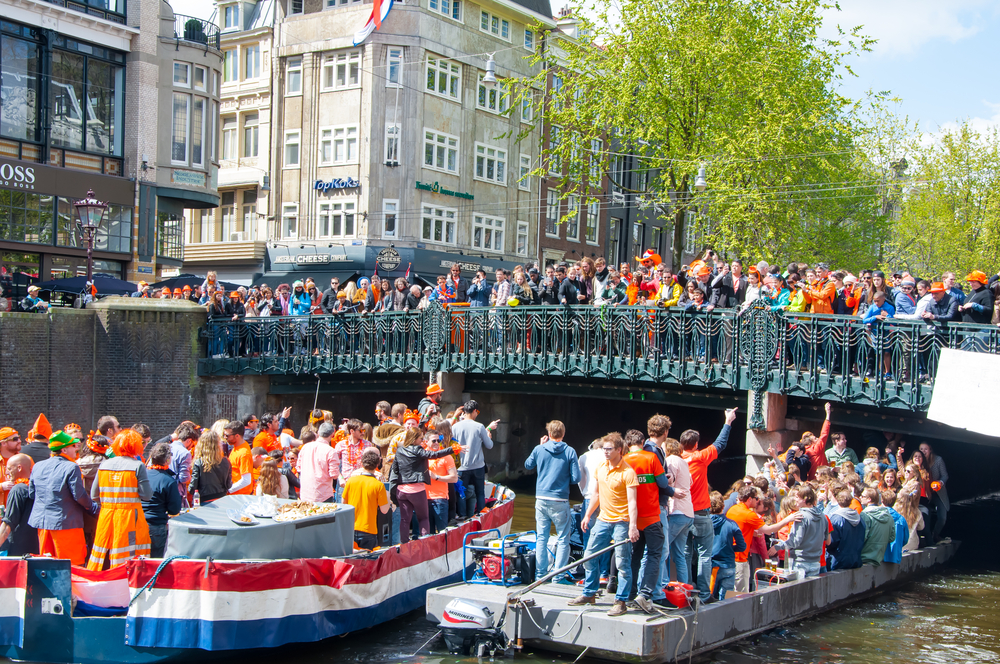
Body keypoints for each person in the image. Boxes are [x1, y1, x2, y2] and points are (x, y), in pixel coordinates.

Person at [570, 433, 640, 617]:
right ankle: (589, 593)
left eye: (609, 449)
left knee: (622, 563)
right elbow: (597, 495)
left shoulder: (628, 472)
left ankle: (621, 601)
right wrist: (587, 515)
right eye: (603, 449)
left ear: (619, 450)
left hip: (622, 522)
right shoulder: (601, 467)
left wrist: (633, 526)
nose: (605, 453)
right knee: (589, 555)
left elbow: (633, 502)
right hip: (603, 519)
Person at [680, 407, 738, 602]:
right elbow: (720, 444)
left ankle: (686, 591)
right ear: (696, 445)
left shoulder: (675, 461)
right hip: (701, 514)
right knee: (705, 555)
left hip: (681, 514)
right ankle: (705, 594)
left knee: (685, 554)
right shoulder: (700, 458)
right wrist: (728, 421)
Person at [28, 430, 99, 566]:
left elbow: (32, 494)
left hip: (43, 525)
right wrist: (94, 508)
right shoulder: (71, 467)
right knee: (71, 566)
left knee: (46, 565)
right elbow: (79, 496)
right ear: (64, 449)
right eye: (73, 446)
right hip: (66, 524)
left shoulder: (37, 466)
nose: (76, 448)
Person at [524, 421, 581, 582]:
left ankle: (540, 575)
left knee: (542, 537)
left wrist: (539, 447)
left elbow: (528, 465)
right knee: (563, 538)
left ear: (548, 434)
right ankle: (558, 576)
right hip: (560, 499)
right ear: (563, 434)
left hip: (541, 499)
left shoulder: (539, 449)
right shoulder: (570, 451)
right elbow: (576, 478)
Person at [88, 430, 152, 570]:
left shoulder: (104, 465)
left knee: (101, 551)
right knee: (127, 553)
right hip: (129, 518)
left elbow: (94, 495)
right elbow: (147, 495)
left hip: (106, 515)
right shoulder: (137, 466)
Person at [623, 430, 672, 613]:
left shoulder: (624, 460)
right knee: (654, 554)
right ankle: (645, 594)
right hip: (651, 516)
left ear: (627, 444)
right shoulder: (651, 458)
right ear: (643, 442)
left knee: (634, 555)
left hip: (632, 519)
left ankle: (630, 593)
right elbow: (663, 484)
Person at [726, 486, 801, 592]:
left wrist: (753, 533)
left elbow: (738, 529)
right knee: (741, 594)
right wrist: (787, 519)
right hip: (740, 558)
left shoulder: (732, 509)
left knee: (731, 592)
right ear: (749, 499)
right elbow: (769, 530)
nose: (758, 501)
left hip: (730, 555)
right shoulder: (749, 514)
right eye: (756, 498)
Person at [388, 428, 456, 544]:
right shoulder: (418, 450)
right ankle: (425, 543)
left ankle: (404, 544)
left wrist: (393, 490)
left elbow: (394, 470)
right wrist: (452, 449)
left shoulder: (399, 451)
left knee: (405, 519)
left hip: (402, 491)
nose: (422, 441)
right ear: (414, 439)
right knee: (423, 518)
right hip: (416, 490)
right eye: (420, 438)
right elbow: (435, 455)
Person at [768, 484, 830, 578]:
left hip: (800, 563)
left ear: (804, 499)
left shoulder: (800, 516)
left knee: (799, 592)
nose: (795, 499)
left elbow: (795, 541)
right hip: (816, 562)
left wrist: (778, 546)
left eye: (797, 497)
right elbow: (826, 538)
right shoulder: (822, 516)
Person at [452, 400, 498, 516]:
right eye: (477, 412)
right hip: (478, 466)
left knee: (461, 493)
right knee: (480, 493)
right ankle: (480, 515)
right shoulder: (479, 426)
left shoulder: (455, 427)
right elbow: (489, 445)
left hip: (461, 467)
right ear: (474, 411)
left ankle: (462, 517)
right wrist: (488, 436)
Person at [343, 448, 391, 550]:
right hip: (368, 529)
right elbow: (385, 510)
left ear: (362, 463)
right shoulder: (378, 485)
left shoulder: (351, 481)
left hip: (351, 528)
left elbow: (344, 504)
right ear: (377, 465)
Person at [142, 442, 182, 558]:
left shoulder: (143, 475)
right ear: (168, 460)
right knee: (155, 560)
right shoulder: (168, 481)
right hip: (156, 526)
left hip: (138, 523)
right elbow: (174, 510)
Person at [709, 491, 746, 600]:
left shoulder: (706, 524)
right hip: (729, 565)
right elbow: (742, 546)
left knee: (709, 600)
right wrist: (730, 547)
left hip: (712, 566)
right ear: (723, 506)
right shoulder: (732, 524)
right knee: (726, 600)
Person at [0, 454, 37, 557]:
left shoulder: (18, 490)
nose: (7, 472)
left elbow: (7, 525)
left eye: (9, 469)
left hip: (18, 551)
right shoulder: (38, 486)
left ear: (19, 468)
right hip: (36, 549)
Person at [425, 428, 458, 533]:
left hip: (440, 498)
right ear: (426, 442)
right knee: (426, 534)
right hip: (423, 499)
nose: (436, 443)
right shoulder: (422, 455)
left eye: (438, 441)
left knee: (442, 532)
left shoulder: (446, 457)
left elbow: (454, 478)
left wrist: (437, 477)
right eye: (433, 441)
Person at [297, 423, 339, 503]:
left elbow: (299, 468)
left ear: (318, 433)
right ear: (332, 434)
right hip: (323, 496)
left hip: (305, 494)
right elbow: (334, 475)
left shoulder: (305, 447)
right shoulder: (331, 451)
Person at [825, 488, 866, 570]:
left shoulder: (836, 519)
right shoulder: (860, 518)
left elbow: (831, 542)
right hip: (855, 560)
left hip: (838, 561)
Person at [189, 430, 232, 504]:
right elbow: (229, 485)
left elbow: (192, 488)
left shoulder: (199, 462)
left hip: (204, 501)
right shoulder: (226, 461)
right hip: (221, 499)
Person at [859, 487, 896, 566]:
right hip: (879, 557)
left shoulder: (864, 515)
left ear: (869, 499)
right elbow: (892, 538)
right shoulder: (888, 515)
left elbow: (862, 537)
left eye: (862, 496)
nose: (860, 497)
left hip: (864, 557)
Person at [919, 442, 949, 541]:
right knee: (924, 515)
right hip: (924, 494)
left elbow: (945, 475)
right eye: (921, 449)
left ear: (930, 450)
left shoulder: (938, 460)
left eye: (925, 449)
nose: (923, 451)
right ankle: (923, 537)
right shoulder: (918, 461)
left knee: (942, 518)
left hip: (937, 492)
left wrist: (940, 483)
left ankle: (935, 534)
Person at [225, 421, 255, 495]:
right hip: (236, 494)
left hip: (240, 496)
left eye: (227, 435)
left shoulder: (243, 453)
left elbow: (246, 480)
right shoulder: (238, 446)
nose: (225, 438)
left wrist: (229, 490)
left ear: (237, 436)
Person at [0, 427, 21, 508]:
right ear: (3, 443)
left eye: (19, 438)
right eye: (15, 439)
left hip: (17, 514)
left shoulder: (25, 460)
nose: (19, 441)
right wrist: (1, 486)